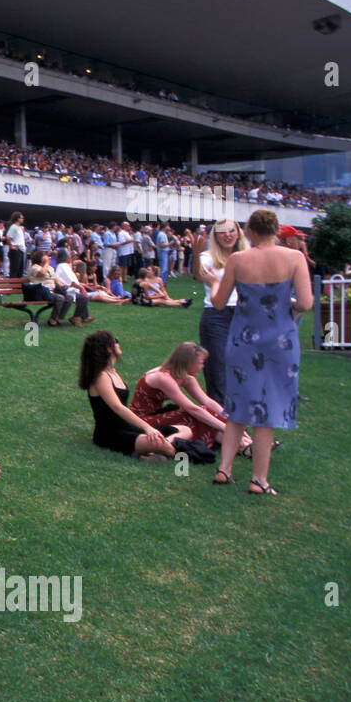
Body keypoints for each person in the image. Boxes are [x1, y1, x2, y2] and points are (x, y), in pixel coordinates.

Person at [209, 209, 311, 495]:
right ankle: (259, 480)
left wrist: (213, 281)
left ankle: (224, 469)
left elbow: (218, 303)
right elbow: (305, 303)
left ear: (249, 232)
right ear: (276, 231)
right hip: (280, 341)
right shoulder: (295, 258)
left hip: (243, 340)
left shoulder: (237, 260)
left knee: (237, 405)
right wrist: (284, 301)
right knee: (270, 408)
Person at [79, 331, 193, 459]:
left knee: (185, 430)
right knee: (162, 445)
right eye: (115, 340)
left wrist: (148, 429)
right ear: (109, 349)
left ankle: (153, 452)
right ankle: (163, 450)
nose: (118, 342)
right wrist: (147, 428)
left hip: (127, 427)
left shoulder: (113, 372)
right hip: (110, 434)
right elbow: (118, 407)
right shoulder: (101, 376)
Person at [131, 342, 251, 452]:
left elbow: (208, 402)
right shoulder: (162, 377)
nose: (202, 366)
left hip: (157, 414)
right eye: (201, 363)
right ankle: (245, 446)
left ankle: (246, 444)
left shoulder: (185, 377)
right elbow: (192, 409)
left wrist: (230, 419)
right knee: (195, 415)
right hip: (141, 420)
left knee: (206, 413)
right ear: (189, 363)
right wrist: (226, 427)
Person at [193, 220, 247, 402]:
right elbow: (200, 274)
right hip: (216, 316)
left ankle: (239, 420)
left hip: (243, 315)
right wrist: (195, 253)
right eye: (222, 232)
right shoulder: (208, 257)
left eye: (231, 231)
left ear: (238, 233)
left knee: (242, 367)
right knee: (218, 369)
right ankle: (219, 421)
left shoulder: (246, 257)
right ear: (215, 236)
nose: (227, 235)